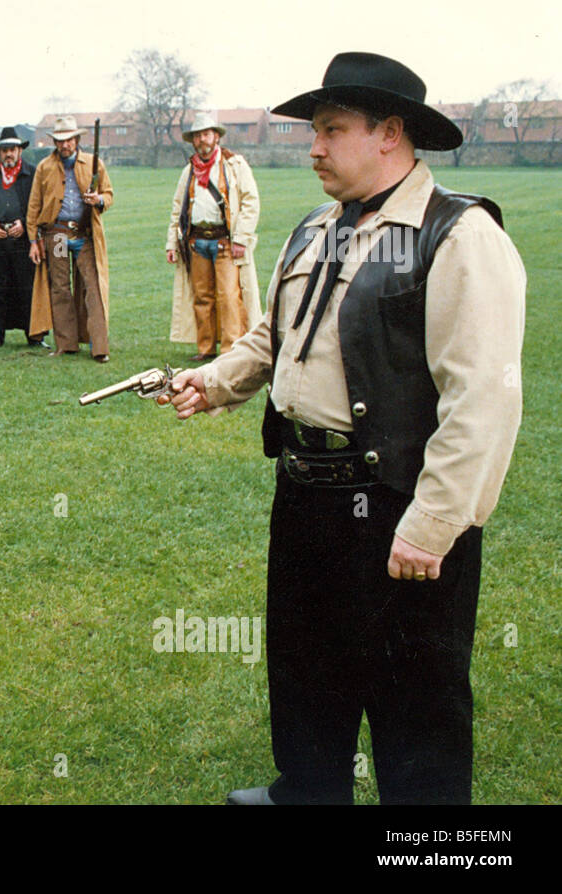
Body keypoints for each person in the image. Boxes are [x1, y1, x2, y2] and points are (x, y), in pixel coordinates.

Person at [165, 53, 526, 805]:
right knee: (304, 671)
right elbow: (275, 336)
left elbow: (483, 398)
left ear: (390, 133)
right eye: (315, 132)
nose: (314, 148)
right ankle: (310, 791)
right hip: (305, 495)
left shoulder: (457, 237)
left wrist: (432, 525)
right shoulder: (316, 229)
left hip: (397, 505)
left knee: (415, 699)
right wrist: (215, 381)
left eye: (331, 130)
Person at [165, 111, 262, 361]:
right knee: (202, 298)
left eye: (206, 134)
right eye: (197, 136)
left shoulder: (235, 165)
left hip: (225, 242)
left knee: (229, 297)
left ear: (216, 137)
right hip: (197, 242)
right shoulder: (188, 170)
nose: (202, 140)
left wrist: (241, 238)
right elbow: (178, 208)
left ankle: (230, 350)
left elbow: (251, 202)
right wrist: (172, 243)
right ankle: (205, 348)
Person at [26, 115, 114, 362]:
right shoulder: (44, 167)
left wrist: (97, 200)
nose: (65, 145)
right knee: (60, 289)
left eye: (69, 140)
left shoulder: (94, 163)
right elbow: (34, 206)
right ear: (55, 142)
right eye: (60, 141)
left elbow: (108, 194)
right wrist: (34, 240)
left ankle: (100, 348)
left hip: (85, 235)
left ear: (77, 139)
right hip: (57, 236)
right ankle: (66, 344)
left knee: (93, 288)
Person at [0, 126, 45, 349]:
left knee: (27, 290)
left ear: (20, 151)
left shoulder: (32, 173)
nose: (9, 154)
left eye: (13, 149)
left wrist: (24, 223)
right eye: (5, 150)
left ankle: (34, 336)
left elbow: (39, 204)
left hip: (23, 241)